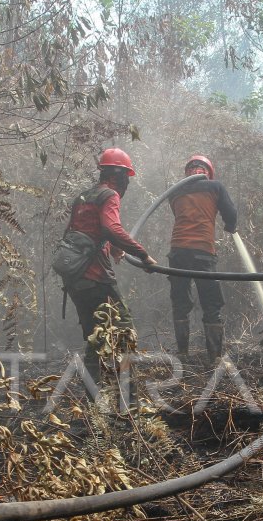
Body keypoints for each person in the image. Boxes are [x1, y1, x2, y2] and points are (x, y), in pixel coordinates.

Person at [62, 147, 157, 381]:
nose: (127, 183)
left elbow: (87, 231)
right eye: (126, 176)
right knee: (124, 330)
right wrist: (143, 255)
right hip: (95, 279)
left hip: (74, 280)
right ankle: (129, 393)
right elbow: (111, 228)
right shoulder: (110, 195)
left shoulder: (84, 197)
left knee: (96, 337)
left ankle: (93, 399)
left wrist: (114, 248)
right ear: (120, 175)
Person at [167, 154, 238, 362]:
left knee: (180, 302)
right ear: (208, 172)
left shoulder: (175, 192)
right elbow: (231, 215)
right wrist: (230, 227)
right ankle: (214, 358)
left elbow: (181, 215)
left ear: (188, 172)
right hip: (202, 252)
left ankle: (182, 354)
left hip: (177, 252)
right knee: (211, 303)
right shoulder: (215, 187)